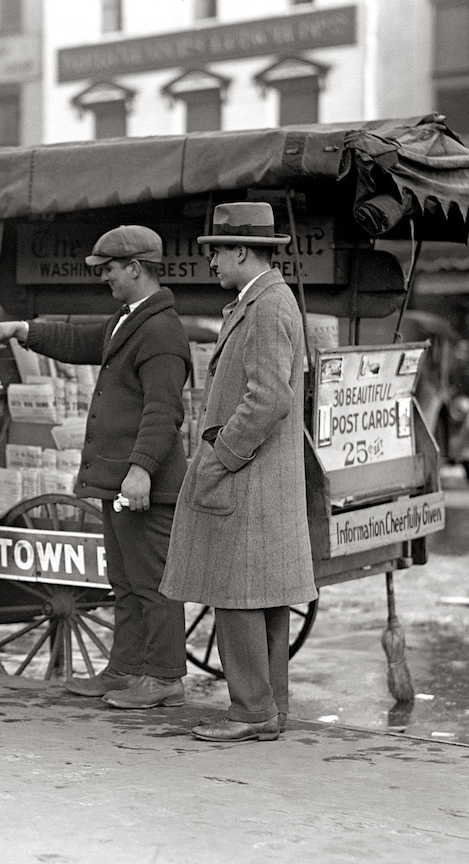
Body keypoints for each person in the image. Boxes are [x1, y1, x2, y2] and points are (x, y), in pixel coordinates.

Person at [0, 225, 191, 710]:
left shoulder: (161, 331)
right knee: (124, 582)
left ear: (135, 268)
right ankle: (125, 669)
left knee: (152, 582)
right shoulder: (130, 319)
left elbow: (163, 412)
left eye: (110, 269)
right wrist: (24, 331)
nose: (105, 278)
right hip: (121, 482)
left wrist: (141, 470)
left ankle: (165, 676)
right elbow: (81, 340)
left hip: (142, 484)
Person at [159, 202, 317, 743]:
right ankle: (270, 709)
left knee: (237, 594)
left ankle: (251, 711)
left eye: (218, 251)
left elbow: (269, 397)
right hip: (260, 477)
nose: (212, 262)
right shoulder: (266, 300)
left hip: (247, 475)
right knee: (263, 596)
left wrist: (221, 455)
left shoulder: (267, 306)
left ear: (243, 251)